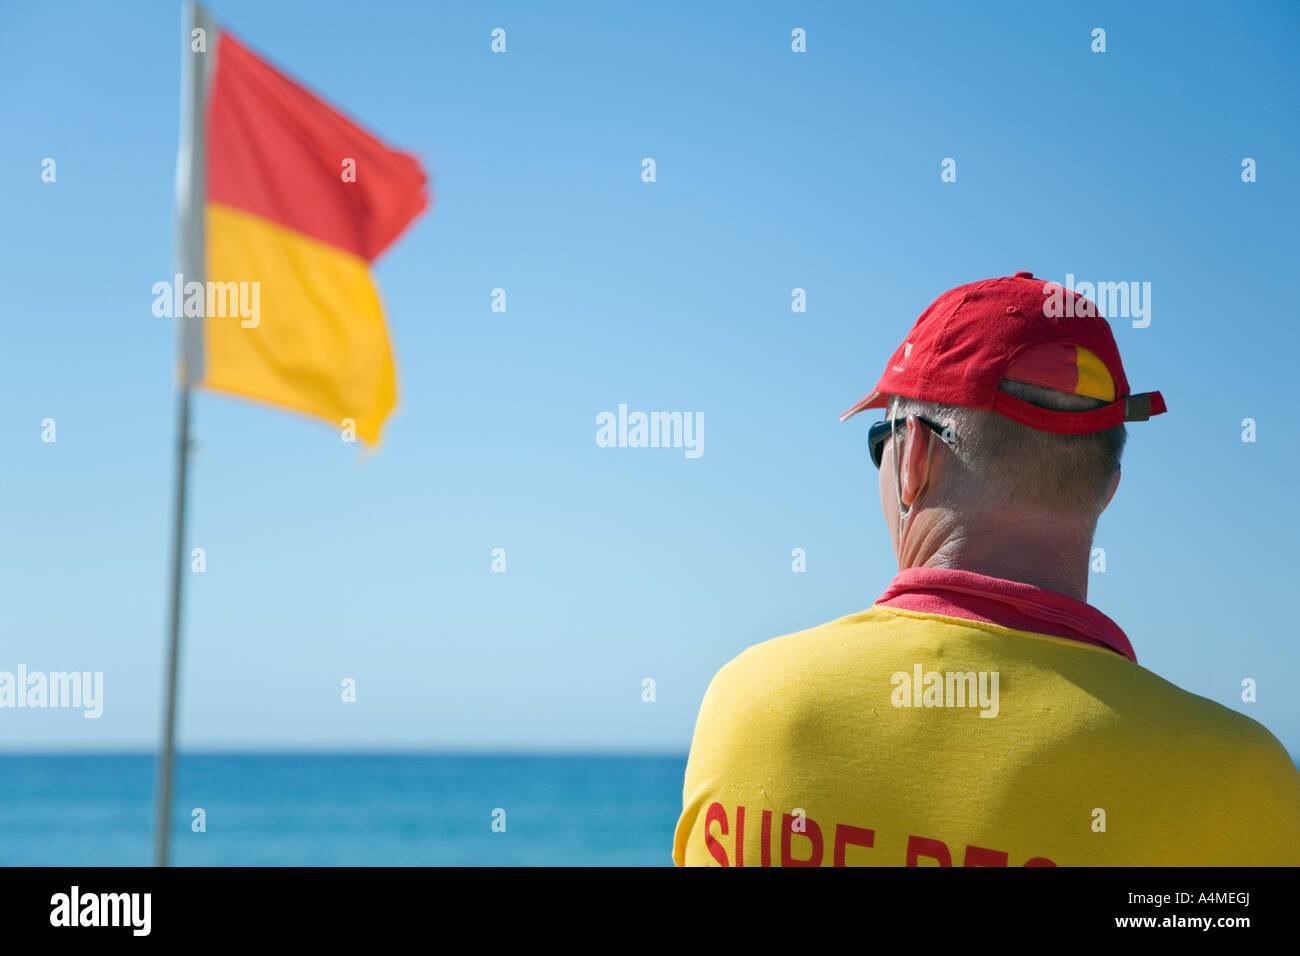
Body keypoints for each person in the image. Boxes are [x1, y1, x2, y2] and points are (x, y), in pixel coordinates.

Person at [673, 271, 1300, 866]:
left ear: (913, 457)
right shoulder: (1245, 778)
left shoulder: (753, 703)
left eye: (880, 445)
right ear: (1109, 487)